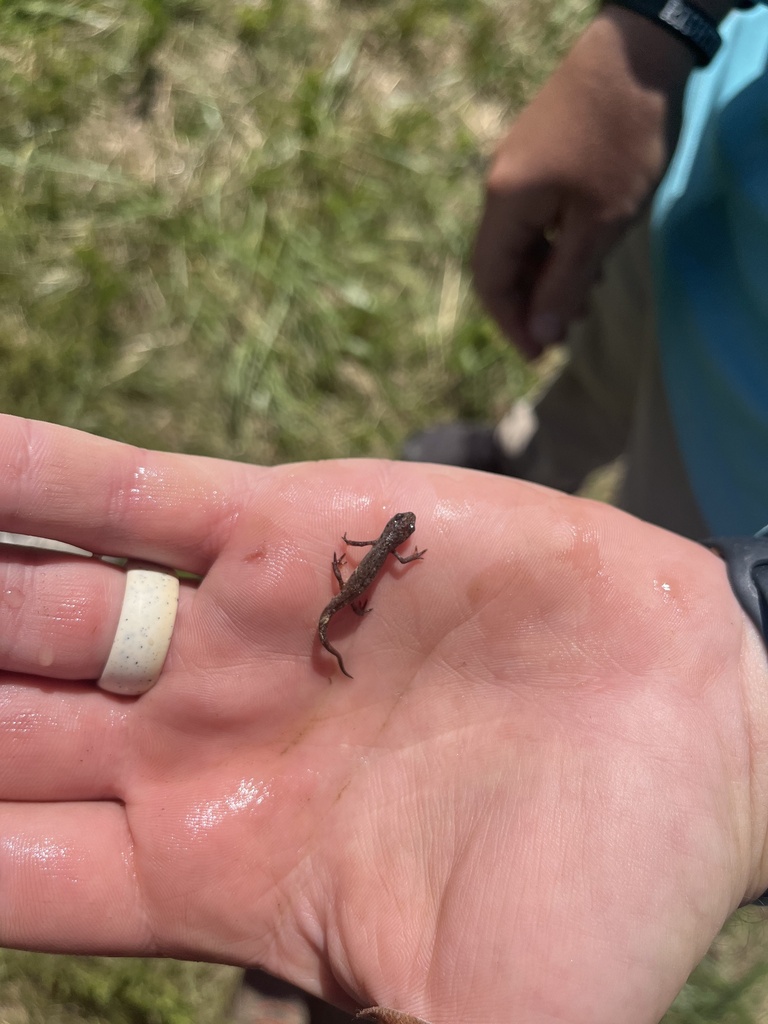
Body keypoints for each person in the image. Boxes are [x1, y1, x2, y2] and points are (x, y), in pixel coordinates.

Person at [2, 411, 768, 1024]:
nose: (399, 534)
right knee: (339, 614)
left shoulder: (384, 555)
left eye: (400, 532)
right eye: (399, 532)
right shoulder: (378, 561)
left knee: (343, 611)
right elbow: (376, 559)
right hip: (349, 596)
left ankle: (300, 989)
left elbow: (378, 558)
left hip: (352, 595)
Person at [407, 0, 768, 541]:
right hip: (700, 156)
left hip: (734, 469)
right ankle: (526, 454)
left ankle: (521, 515)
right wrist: (658, 27)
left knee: (660, 543)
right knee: (601, 355)